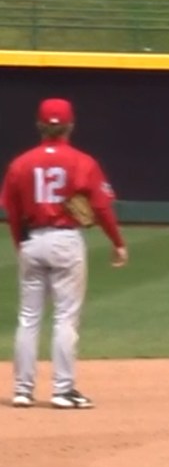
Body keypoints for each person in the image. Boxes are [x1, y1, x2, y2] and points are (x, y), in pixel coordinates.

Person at [3, 98, 129, 410]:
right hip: (65, 240)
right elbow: (100, 207)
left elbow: (13, 212)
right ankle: (63, 390)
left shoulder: (21, 163)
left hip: (33, 240)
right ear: (71, 126)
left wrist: (22, 245)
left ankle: (22, 390)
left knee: (29, 317)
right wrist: (117, 242)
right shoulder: (82, 162)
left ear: (39, 126)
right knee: (65, 317)